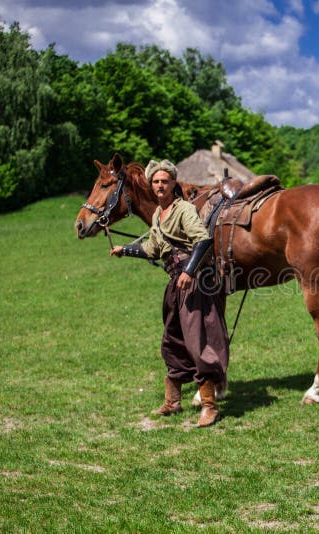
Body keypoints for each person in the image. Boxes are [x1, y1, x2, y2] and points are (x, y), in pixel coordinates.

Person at [111, 159, 228, 428]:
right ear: (151, 186)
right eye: (156, 182)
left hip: (193, 283)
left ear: (173, 183)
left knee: (197, 341)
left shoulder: (184, 209)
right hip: (175, 283)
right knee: (172, 338)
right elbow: (152, 249)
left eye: (165, 181)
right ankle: (173, 401)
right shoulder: (157, 215)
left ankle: (209, 406)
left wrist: (189, 271)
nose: (160, 185)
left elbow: (203, 240)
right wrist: (124, 250)